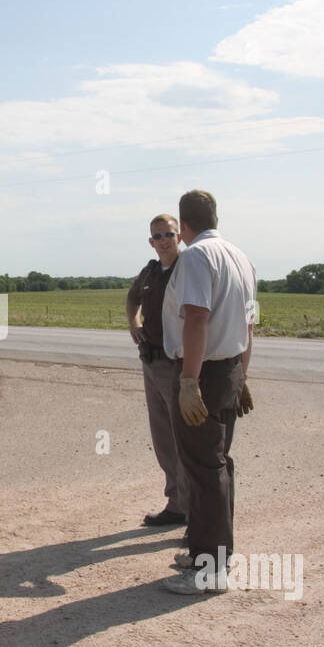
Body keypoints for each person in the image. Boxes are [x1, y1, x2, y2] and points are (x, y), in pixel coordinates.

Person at [159, 190, 256, 595]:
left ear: (183, 226)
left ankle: (209, 568)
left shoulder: (198, 257)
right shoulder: (240, 257)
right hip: (228, 369)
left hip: (204, 373)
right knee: (216, 462)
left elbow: (196, 319)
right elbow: (249, 328)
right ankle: (210, 550)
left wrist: (188, 382)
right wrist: (242, 377)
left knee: (203, 467)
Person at [125, 215, 187, 528]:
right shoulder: (150, 271)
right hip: (150, 361)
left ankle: (193, 507)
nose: (163, 240)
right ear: (151, 242)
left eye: (169, 234)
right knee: (163, 438)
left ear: (180, 236)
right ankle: (177, 504)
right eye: (157, 236)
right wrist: (133, 322)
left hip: (177, 363)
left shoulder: (189, 269)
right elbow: (133, 296)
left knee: (185, 439)